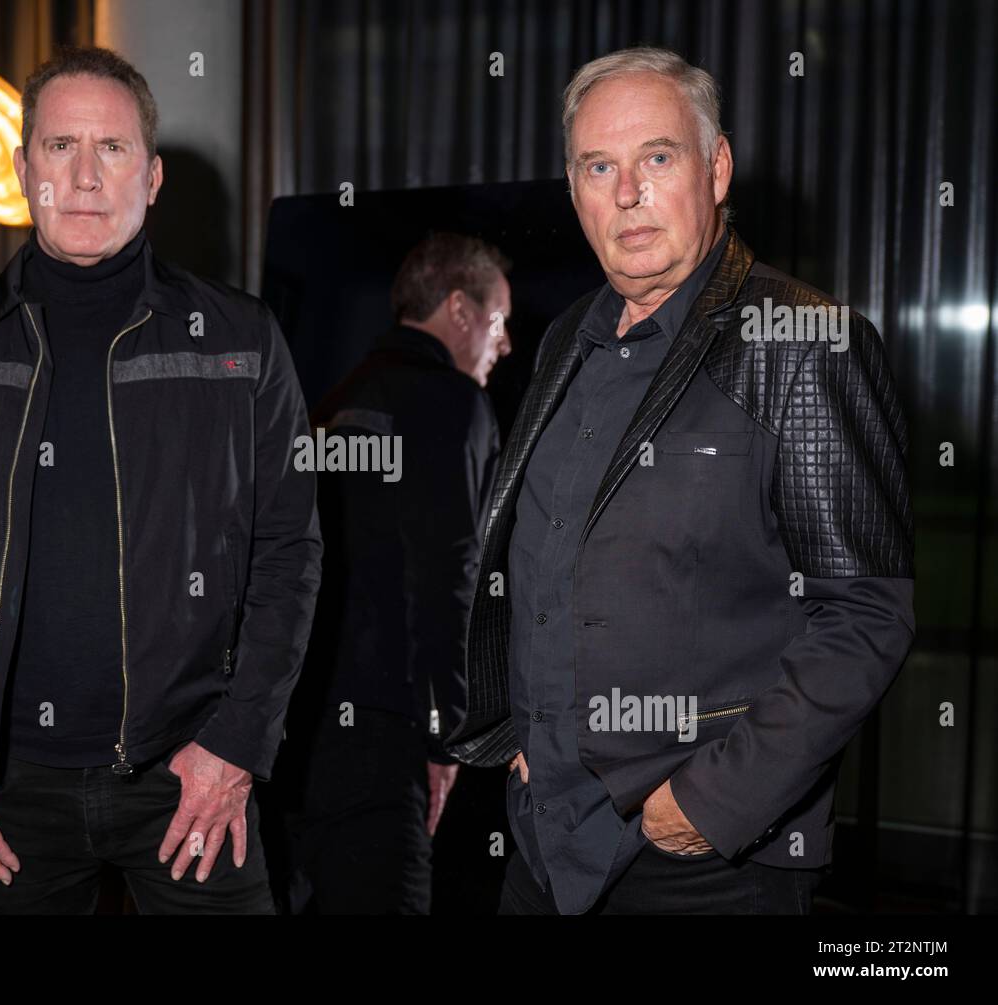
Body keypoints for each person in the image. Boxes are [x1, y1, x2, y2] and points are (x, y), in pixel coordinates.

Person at [444, 46, 915, 915]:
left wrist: (708, 804)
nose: (627, 193)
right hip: (543, 842)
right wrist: (521, 727)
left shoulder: (802, 342)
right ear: (575, 189)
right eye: (598, 166)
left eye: (657, 158)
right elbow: (542, 556)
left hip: (704, 866)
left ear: (718, 167)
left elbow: (867, 612)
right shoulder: (562, 342)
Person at [0, 45, 321, 914]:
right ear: (21, 166)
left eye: (110, 149)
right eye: (60, 146)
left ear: (149, 178)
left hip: (190, 773)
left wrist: (238, 743)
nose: (83, 175)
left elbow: (289, 556)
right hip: (5, 789)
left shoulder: (242, 340)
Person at [282, 232, 511, 913]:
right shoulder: (455, 403)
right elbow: (453, 573)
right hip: (386, 736)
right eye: (499, 322)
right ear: (460, 310)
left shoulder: (332, 403)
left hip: (297, 732)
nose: (504, 346)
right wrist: (449, 736)